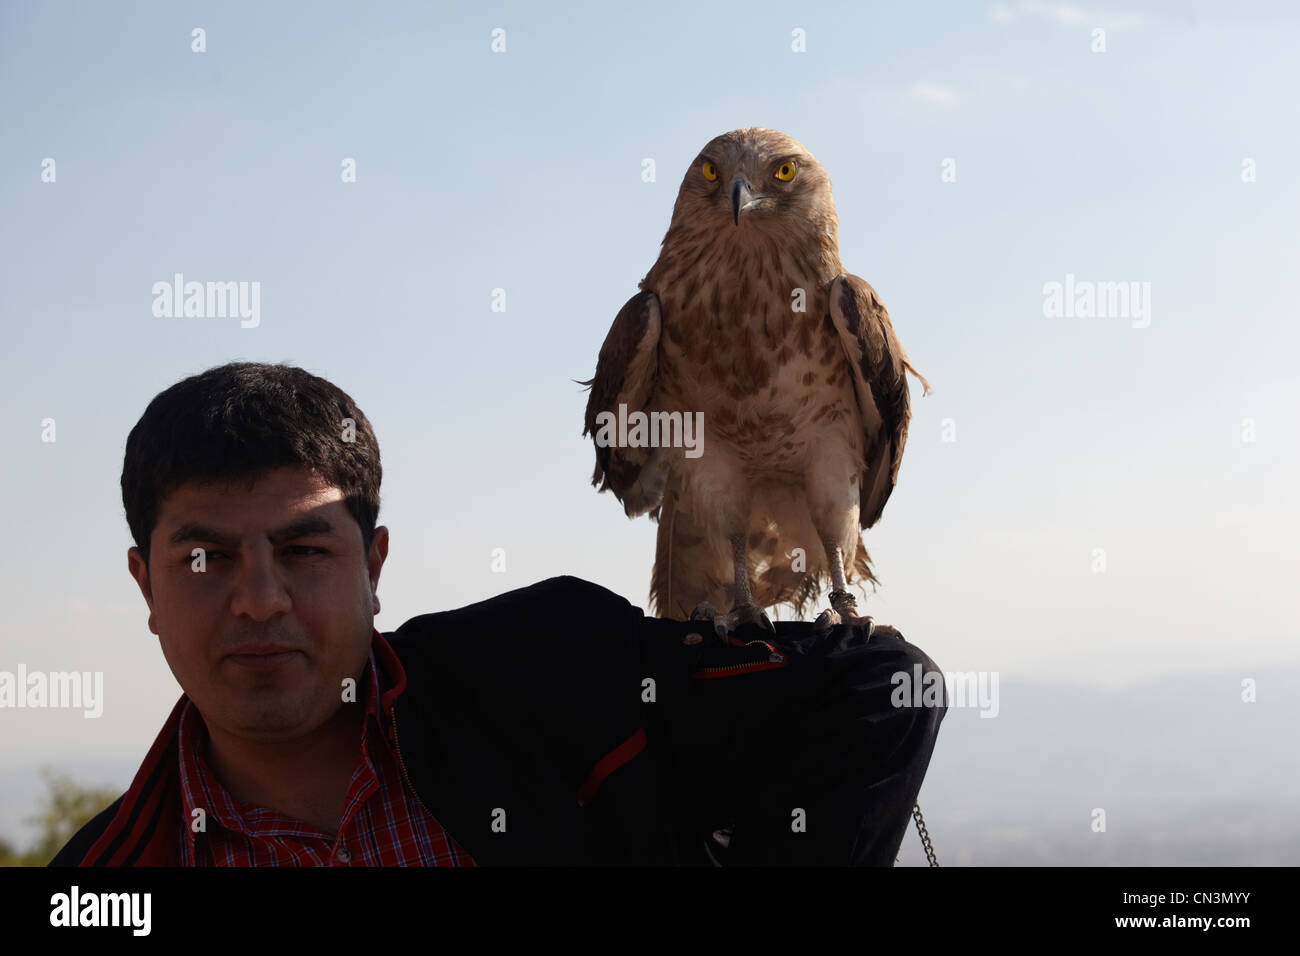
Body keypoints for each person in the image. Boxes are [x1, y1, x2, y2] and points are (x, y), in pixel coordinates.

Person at [48, 361, 946, 867]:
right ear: (145, 587)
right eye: (204, 558)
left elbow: (884, 688)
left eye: (303, 550)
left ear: (374, 566)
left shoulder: (542, 678)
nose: (258, 599)